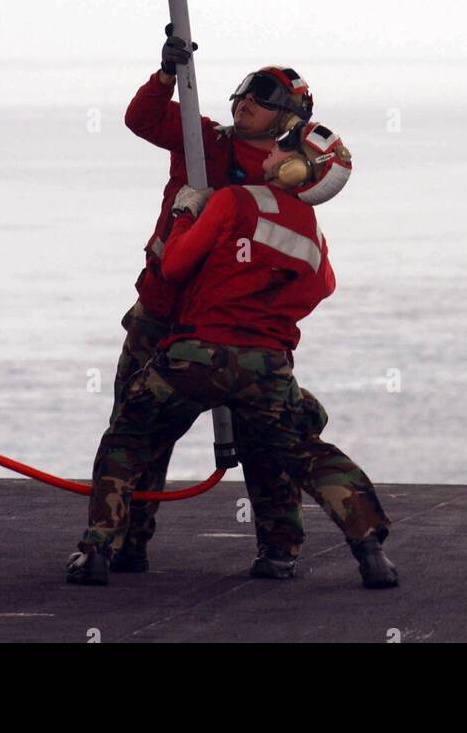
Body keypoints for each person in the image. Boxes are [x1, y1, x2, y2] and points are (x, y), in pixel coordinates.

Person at [67, 119, 398, 590]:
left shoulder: (234, 200)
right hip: (267, 367)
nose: (272, 148)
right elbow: (320, 290)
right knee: (305, 451)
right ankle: (370, 551)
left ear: (294, 168)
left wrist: (186, 213)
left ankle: (99, 551)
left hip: (195, 355)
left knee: (127, 441)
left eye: (284, 146)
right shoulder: (312, 235)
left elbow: (176, 266)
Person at [109, 30, 325, 579]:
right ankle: (122, 543)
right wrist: (164, 74)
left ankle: (280, 549)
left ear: (288, 119)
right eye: (244, 94)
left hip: (241, 327)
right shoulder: (201, 138)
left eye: (261, 100)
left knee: (266, 440)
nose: (244, 103)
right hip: (163, 309)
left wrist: (277, 324)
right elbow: (141, 120)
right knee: (138, 428)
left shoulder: (294, 177)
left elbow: (307, 265)